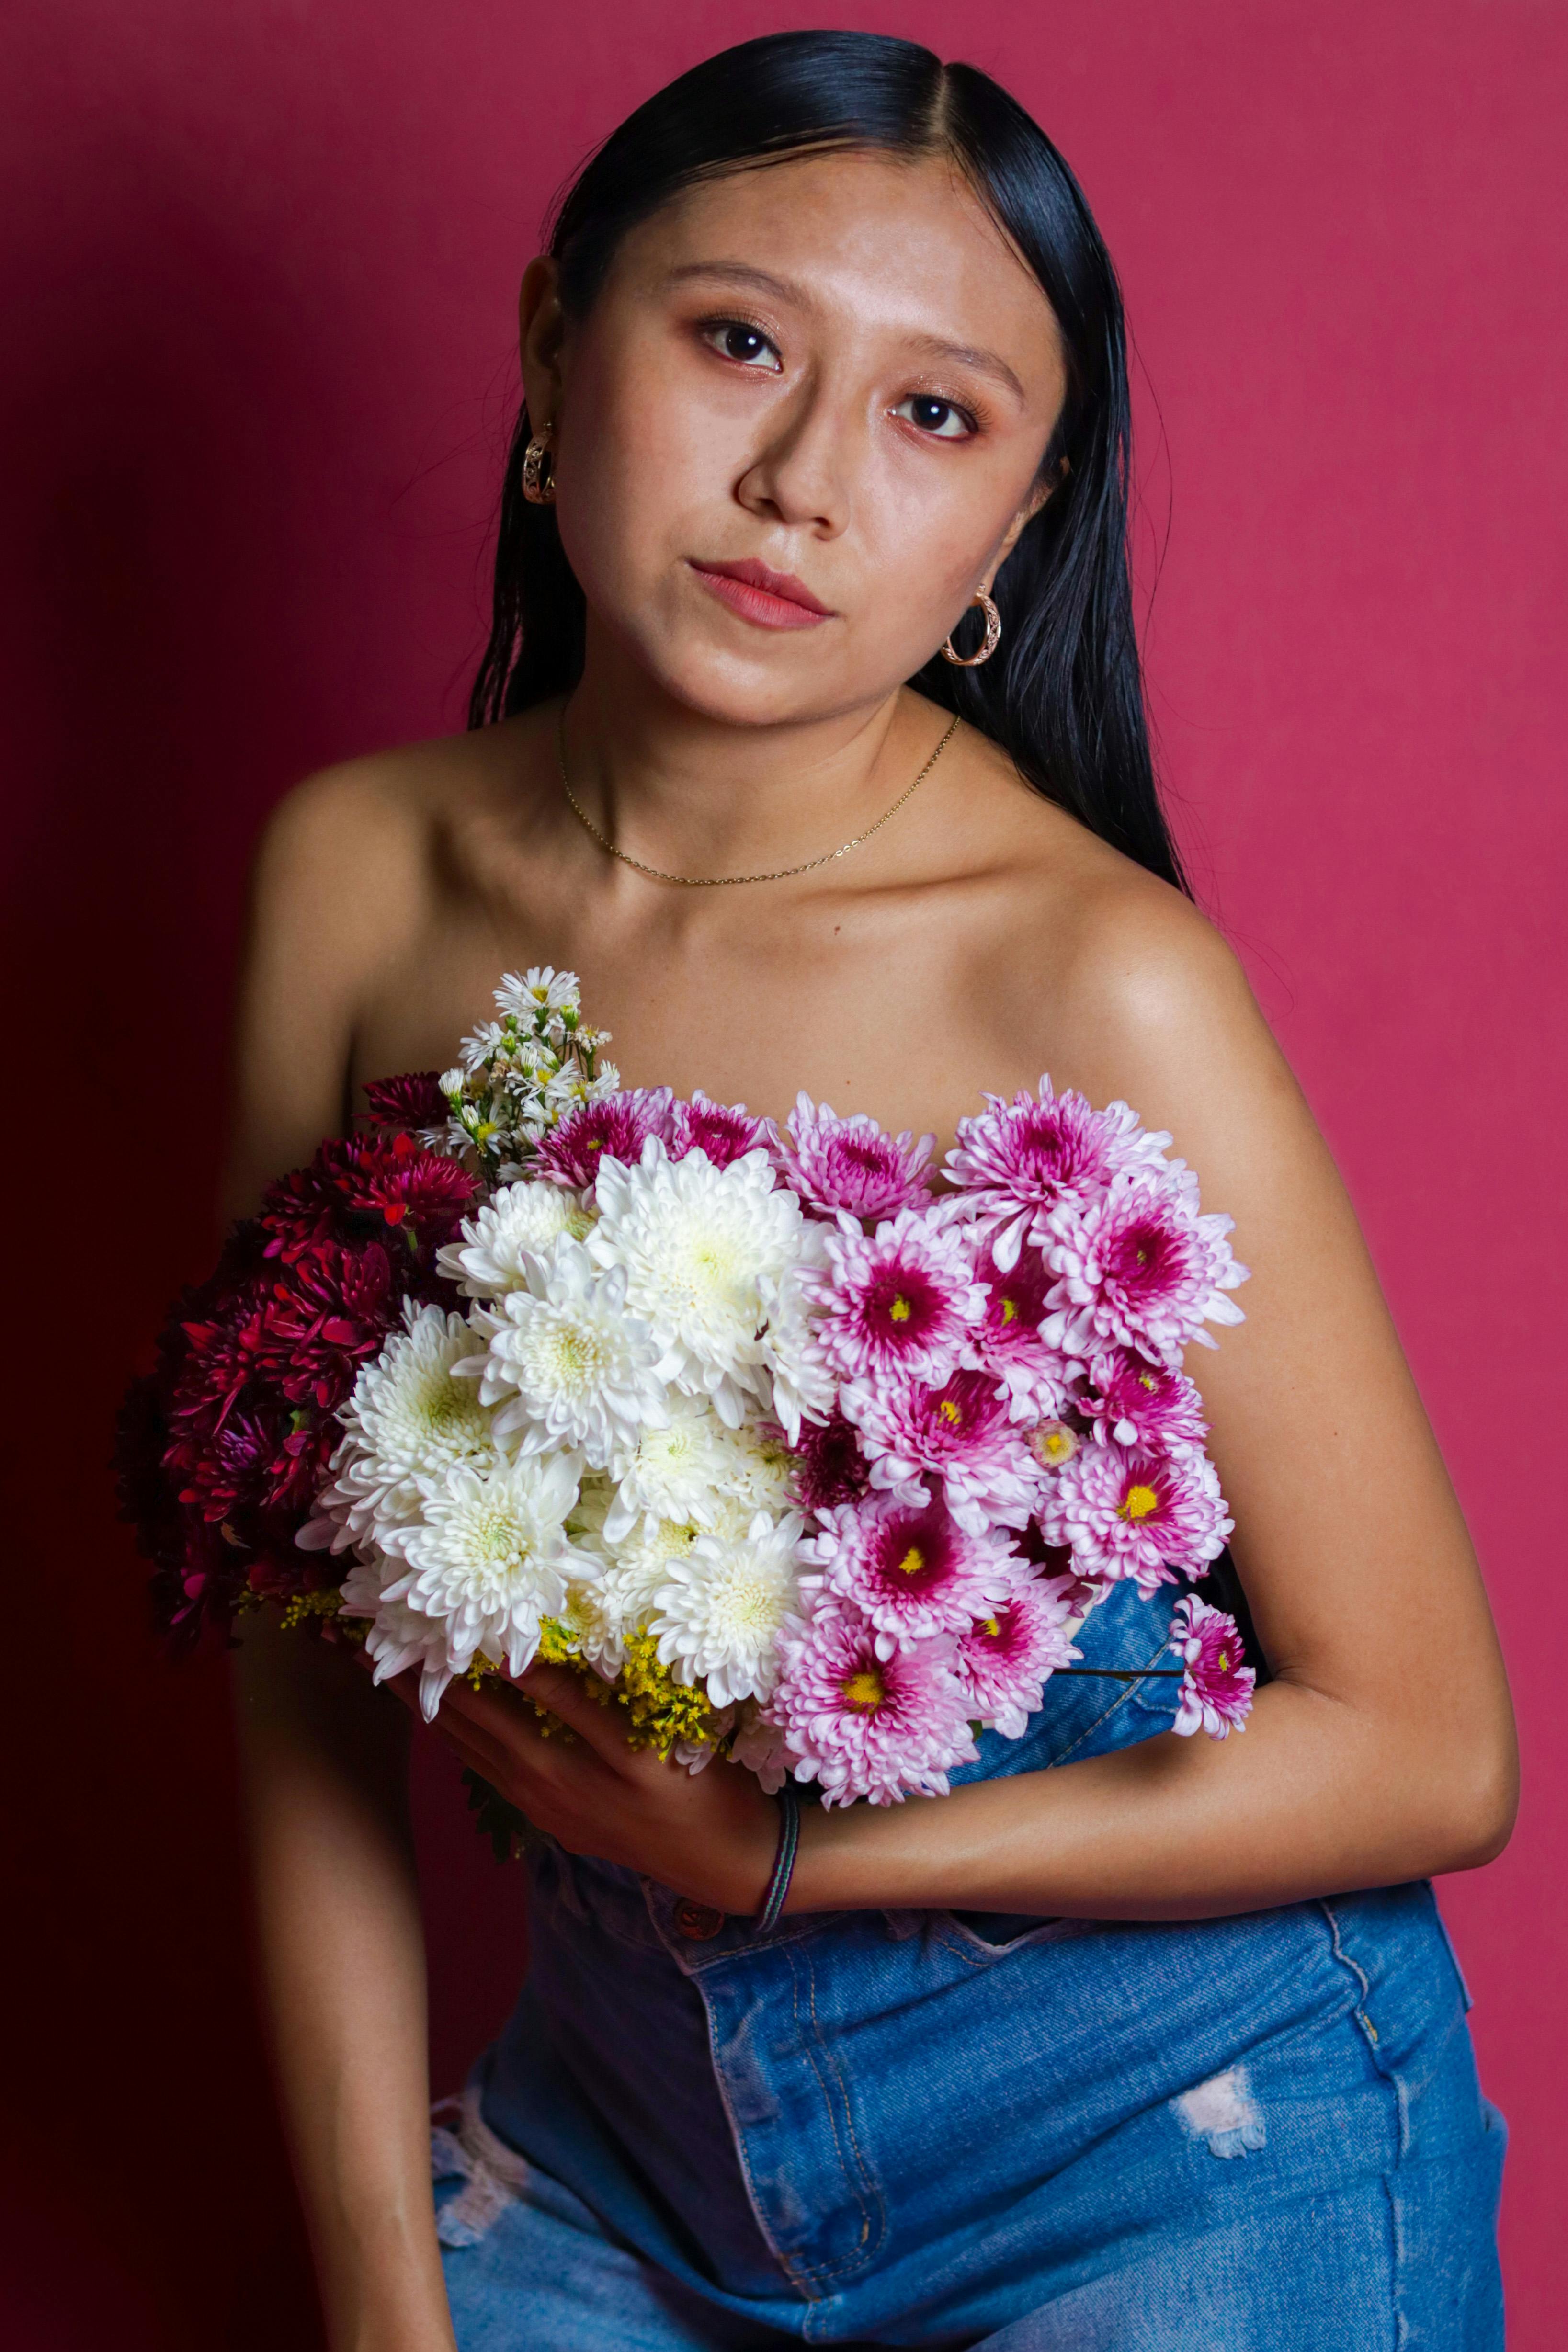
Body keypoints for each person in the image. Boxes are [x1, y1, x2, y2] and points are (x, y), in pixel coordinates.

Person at [224, 32, 1516, 2351]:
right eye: (737, 341)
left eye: (939, 416)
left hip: (1177, 2138)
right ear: (549, 350)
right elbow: (292, 1651)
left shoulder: (1095, 977)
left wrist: (799, 1852)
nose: (804, 480)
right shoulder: (355, 875)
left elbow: (1436, 1747)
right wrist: (377, 2306)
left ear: (1018, 528)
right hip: (621, 2145)